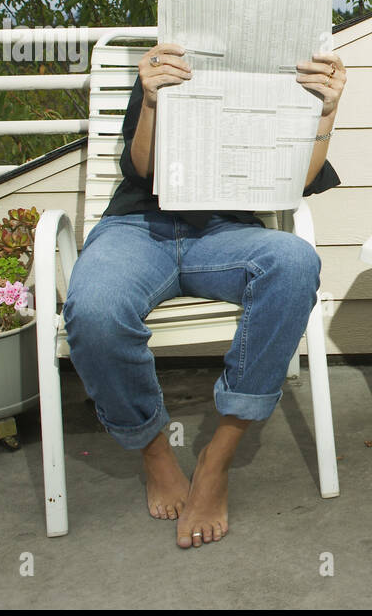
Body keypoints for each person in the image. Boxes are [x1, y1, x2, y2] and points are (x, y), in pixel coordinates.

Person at [64, 42, 346, 549]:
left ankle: (218, 457)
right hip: (137, 227)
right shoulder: (164, 63)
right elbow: (144, 168)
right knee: (97, 309)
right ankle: (155, 453)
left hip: (226, 234)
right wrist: (150, 100)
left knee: (294, 261)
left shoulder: (280, 70)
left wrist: (327, 110)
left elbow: (297, 182)